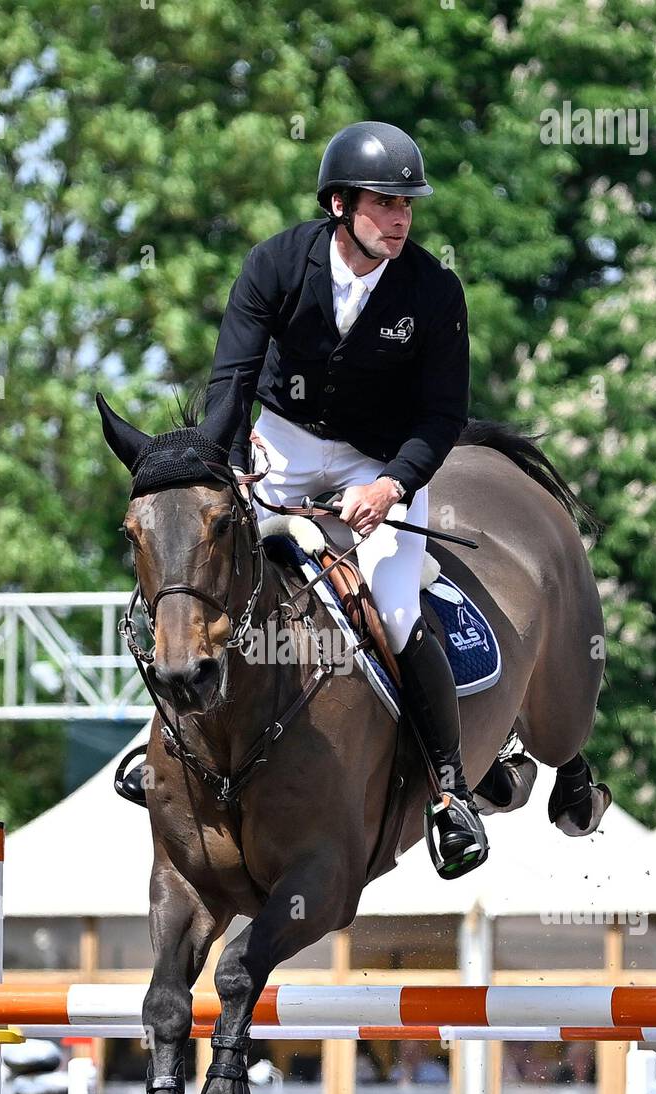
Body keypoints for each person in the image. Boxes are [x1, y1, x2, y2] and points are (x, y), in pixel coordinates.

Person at [204, 120, 488, 876]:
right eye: (385, 202)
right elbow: (230, 381)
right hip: (285, 444)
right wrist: (229, 468)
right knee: (200, 563)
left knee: (394, 613)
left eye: (408, 205)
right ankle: (161, 742)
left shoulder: (433, 290)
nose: (401, 218)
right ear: (339, 204)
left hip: (381, 456)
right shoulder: (275, 265)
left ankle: (449, 795)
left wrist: (392, 482)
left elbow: (443, 415)